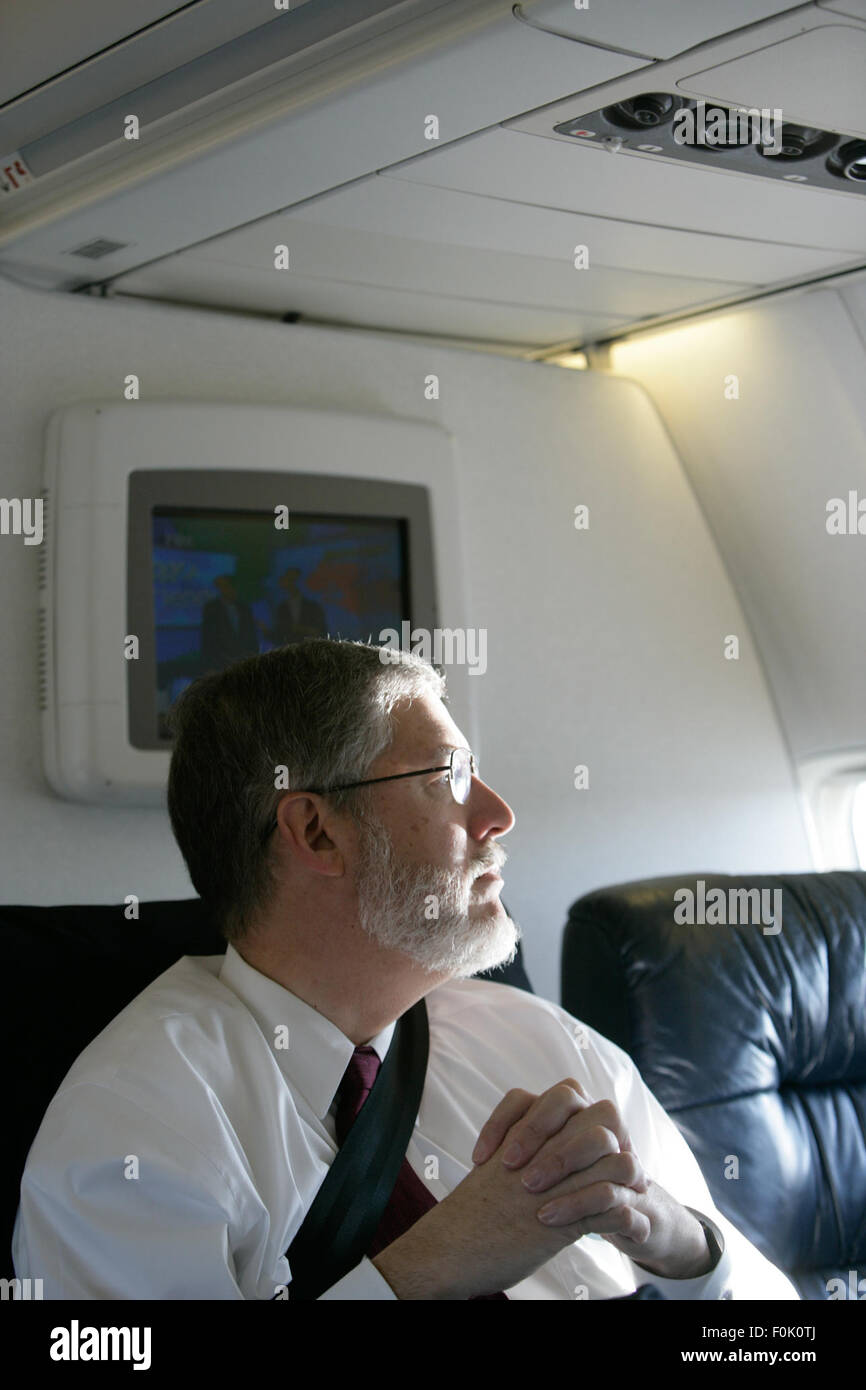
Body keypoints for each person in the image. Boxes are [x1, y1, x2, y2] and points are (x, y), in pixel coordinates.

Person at [13, 639, 798, 1300]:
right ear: (317, 833)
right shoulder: (130, 1131)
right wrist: (432, 1266)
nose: (497, 812)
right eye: (448, 776)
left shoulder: (552, 1049)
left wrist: (684, 1245)